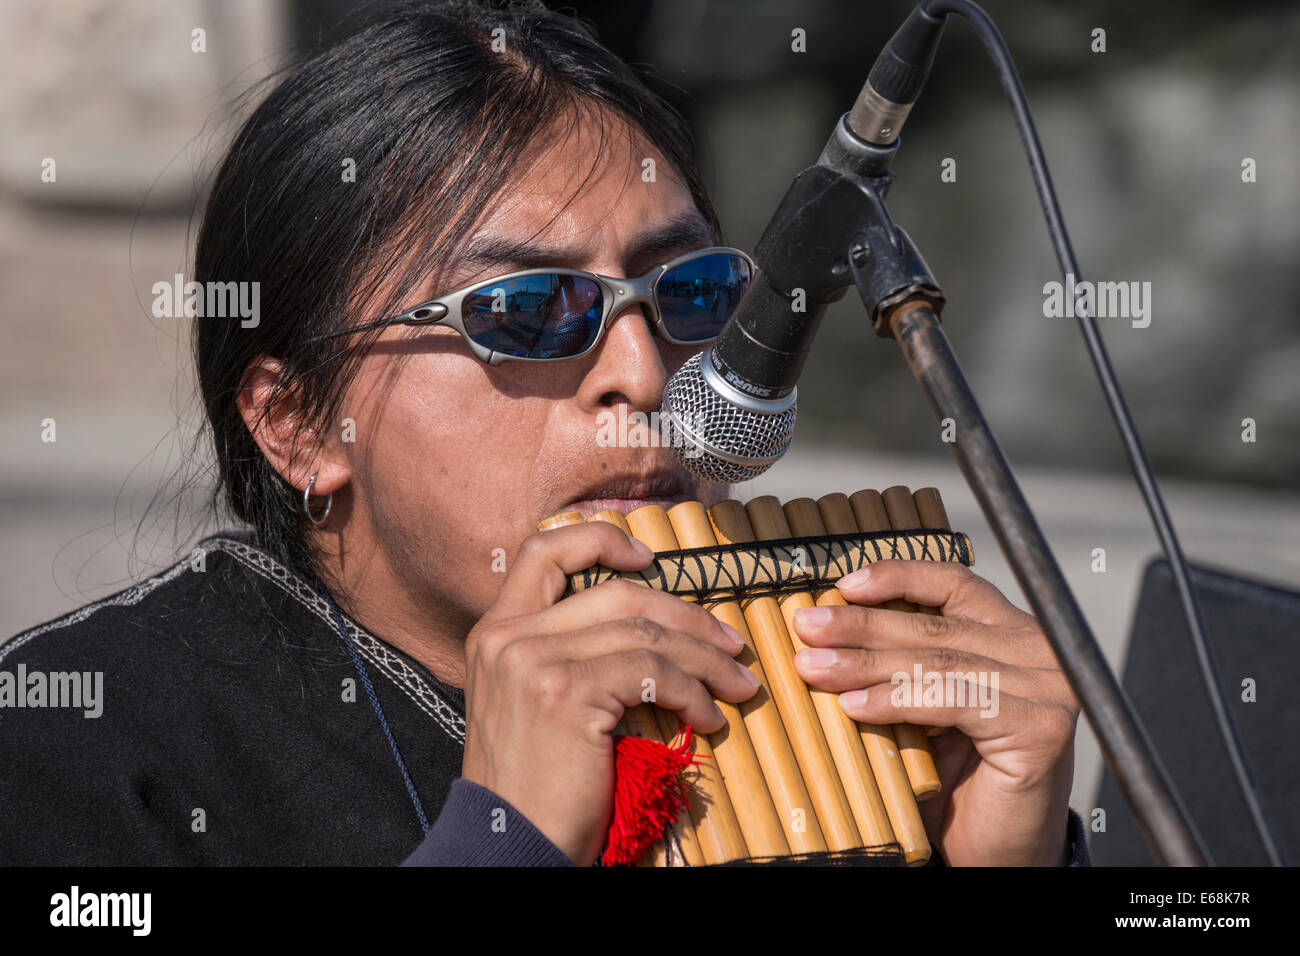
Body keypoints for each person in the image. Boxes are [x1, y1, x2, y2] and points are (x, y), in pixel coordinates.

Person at [0, 0, 1087, 867]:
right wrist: (500, 838)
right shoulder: (75, 752)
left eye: (692, 294)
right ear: (296, 424)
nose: (641, 371)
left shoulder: (840, 736)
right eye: (527, 311)